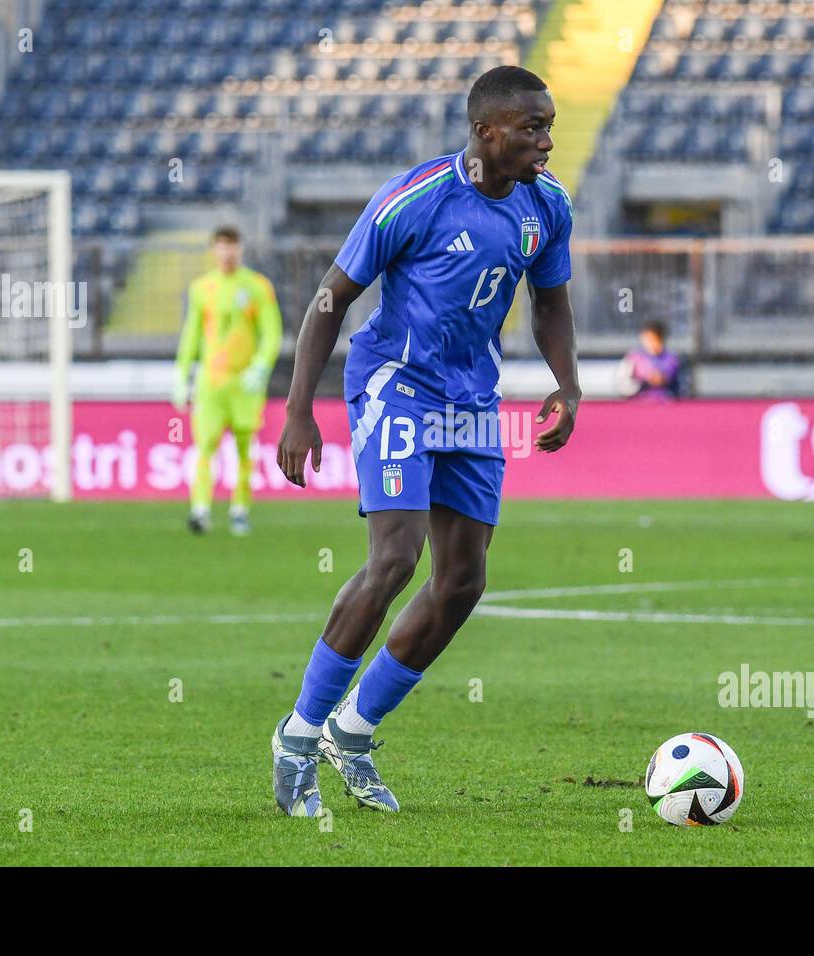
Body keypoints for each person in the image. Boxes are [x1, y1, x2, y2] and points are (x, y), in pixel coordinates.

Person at [270, 65, 580, 816]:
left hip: (473, 400)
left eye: (549, 125)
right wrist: (298, 407)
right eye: (533, 127)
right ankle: (299, 734)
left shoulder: (548, 208)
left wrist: (568, 386)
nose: (546, 140)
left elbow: (550, 303)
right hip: (396, 385)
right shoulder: (417, 196)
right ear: (487, 132)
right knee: (396, 559)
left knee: (463, 582)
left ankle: (355, 729)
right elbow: (330, 298)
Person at [172, 226, 282, 536]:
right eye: (221, 246)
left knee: (246, 449)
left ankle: (240, 509)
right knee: (205, 446)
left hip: (244, 383)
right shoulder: (201, 288)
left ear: (240, 249)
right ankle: (200, 509)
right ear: (214, 249)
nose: (227, 252)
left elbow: (271, 332)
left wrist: (260, 367)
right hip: (212, 382)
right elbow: (191, 334)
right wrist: (182, 374)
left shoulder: (258, 287)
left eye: (232, 246)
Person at [619, 321, 681, 400]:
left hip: (666, 405)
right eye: (648, 339)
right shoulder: (633, 358)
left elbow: (682, 388)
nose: (651, 342)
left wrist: (666, 381)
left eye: (655, 339)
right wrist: (645, 383)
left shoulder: (673, 359)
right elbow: (623, 386)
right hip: (638, 405)